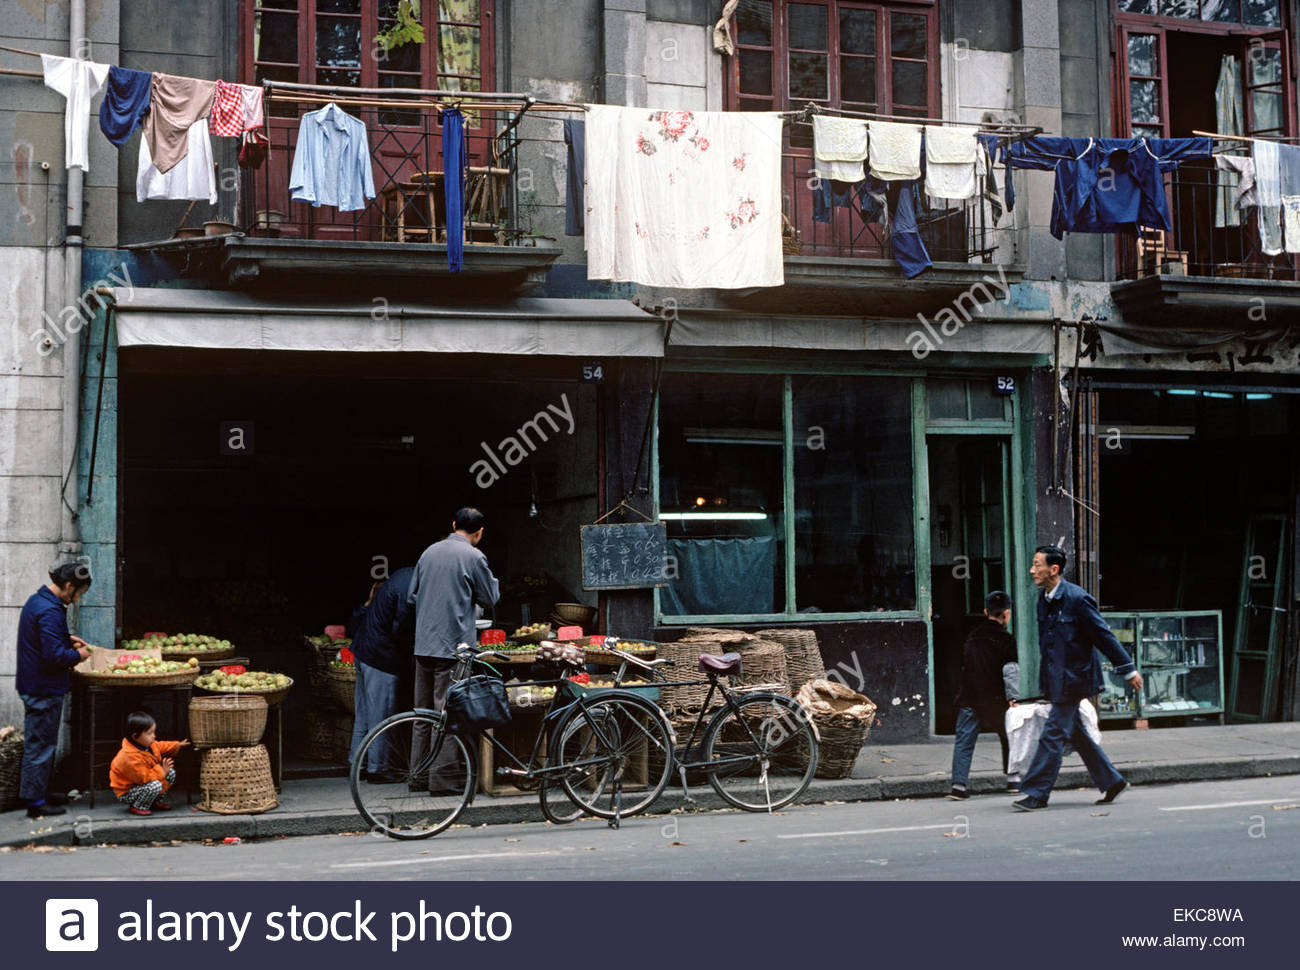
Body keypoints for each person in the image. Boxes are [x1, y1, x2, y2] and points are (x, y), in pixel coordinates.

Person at [1013, 545, 1144, 812]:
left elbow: (1103, 636)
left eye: (1037, 565)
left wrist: (1128, 670)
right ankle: (1112, 780)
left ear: (1054, 569)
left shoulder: (1077, 599)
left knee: (1053, 734)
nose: (1032, 570)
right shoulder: (1044, 599)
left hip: (1073, 680)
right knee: (1076, 733)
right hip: (1055, 679)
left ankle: (1037, 792)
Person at [400, 507, 499, 793]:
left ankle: (417, 775)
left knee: (422, 714)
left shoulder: (428, 552)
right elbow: (490, 597)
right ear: (479, 533)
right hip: (453, 647)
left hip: (424, 644)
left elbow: (411, 596)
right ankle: (442, 779)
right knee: (446, 714)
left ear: (454, 524)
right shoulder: (474, 556)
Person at [15, 560, 94, 819]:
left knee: (42, 743)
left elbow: (44, 642)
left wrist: (66, 638)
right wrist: (79, 655)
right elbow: (53, 655)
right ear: (69, 585)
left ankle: (40, 793)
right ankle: (35, 803)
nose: (78, 598)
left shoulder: (37, 601)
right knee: (41, 745)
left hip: (36, 685)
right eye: (79, 592)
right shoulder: (50, 611)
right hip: (43, 688)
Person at [947, 590, 1020, 800]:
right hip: (996, 699)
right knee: (1009, 735)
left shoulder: (973, 636)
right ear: (1006, 614)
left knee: (964, 740)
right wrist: (1012, 697)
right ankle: (1013, 778)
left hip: (970, 695)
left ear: (986, 611)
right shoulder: (1006, 639)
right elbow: (1010, 671)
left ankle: (959, 786)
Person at [349, 564, 416, 781]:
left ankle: (356, 763)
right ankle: (378, 769)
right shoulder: (411, 585)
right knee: (382, 714)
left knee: (364, 714)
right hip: (381, 656)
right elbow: (401, 627)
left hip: (364, 651)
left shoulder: (402, 575)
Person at [109, 711, 190, 816]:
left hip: (143, 784)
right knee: (155, 785)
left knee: (170, 773)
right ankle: (138, 806)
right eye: (149, 733)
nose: (153, 736)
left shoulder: (147, 745)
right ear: (135, 736)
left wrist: (177, 745)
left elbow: (161, 746)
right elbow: (144, 777)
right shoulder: (129, 757)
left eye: (153, 732)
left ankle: (153, 802)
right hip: (128, 791)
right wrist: (162, 770)